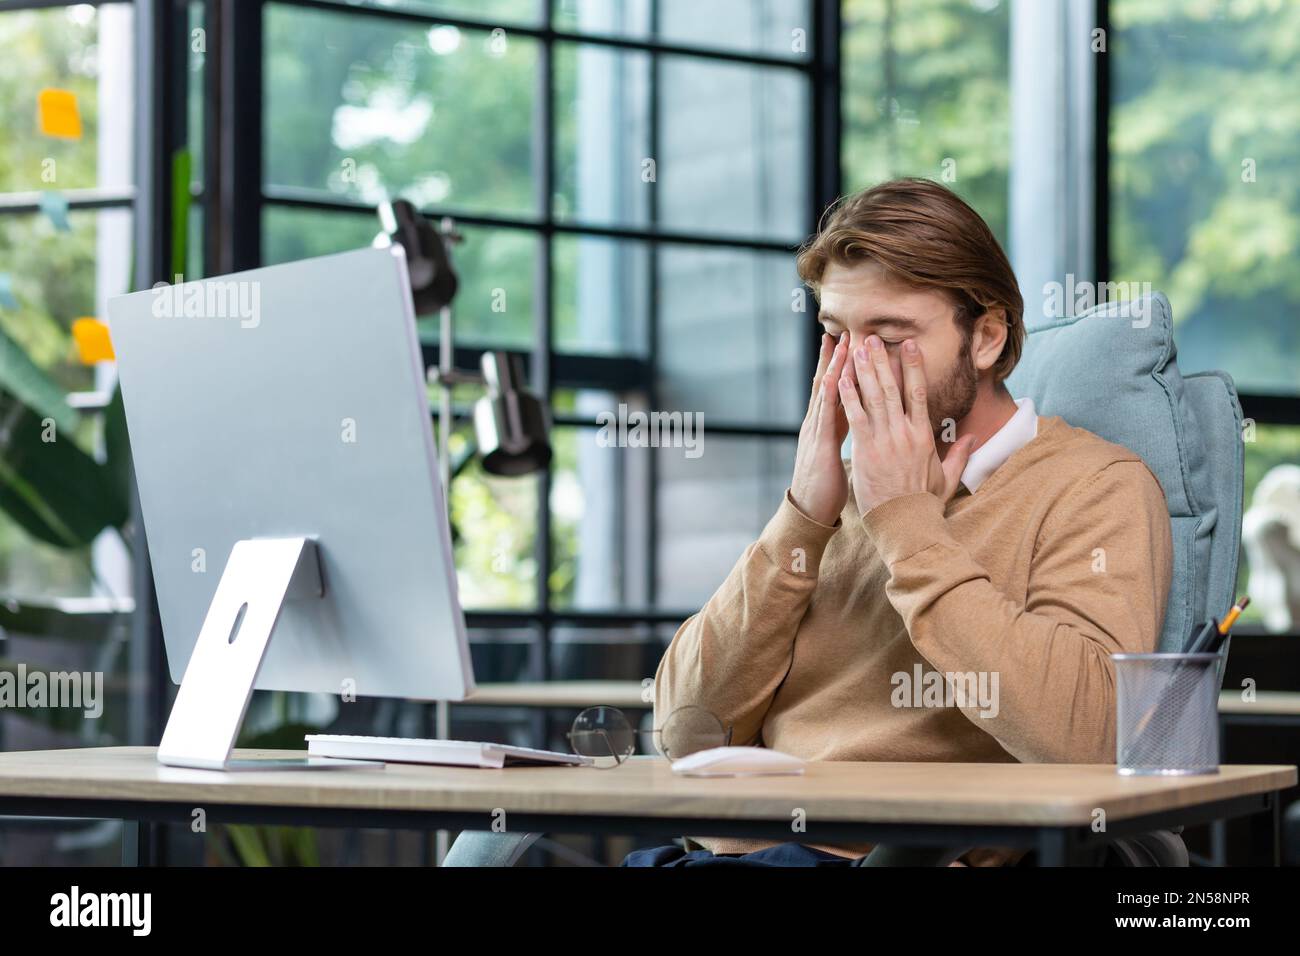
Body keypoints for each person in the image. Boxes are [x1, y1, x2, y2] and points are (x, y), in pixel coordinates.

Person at [624, 178, 1174, 867]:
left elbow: (1090, 734)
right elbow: (686, 733)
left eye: (887, 339)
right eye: (835, 336)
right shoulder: (830, 499)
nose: (855, 370)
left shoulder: (1096, 487)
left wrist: (907, 525)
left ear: (987, 337)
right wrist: (802, 518)